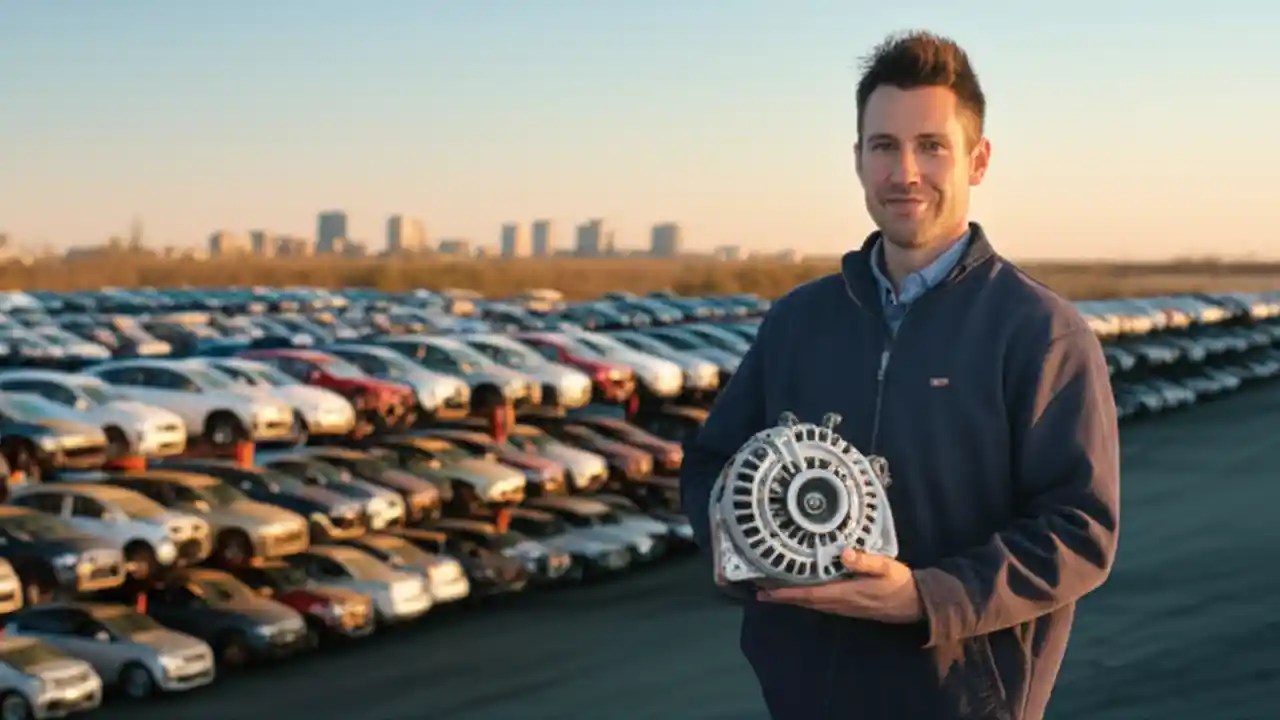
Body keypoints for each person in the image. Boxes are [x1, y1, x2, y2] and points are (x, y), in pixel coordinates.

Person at [679, 30, 1121, 720]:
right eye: (884, 146)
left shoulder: (1041, 331)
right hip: (805, 697)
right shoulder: (799, 320)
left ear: (978, 161)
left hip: (962, 700)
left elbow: (1078, 529)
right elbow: (711, 465)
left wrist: (927, 597)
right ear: (858, 161)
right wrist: (750, 553)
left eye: (931, 146)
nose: (904, 171)